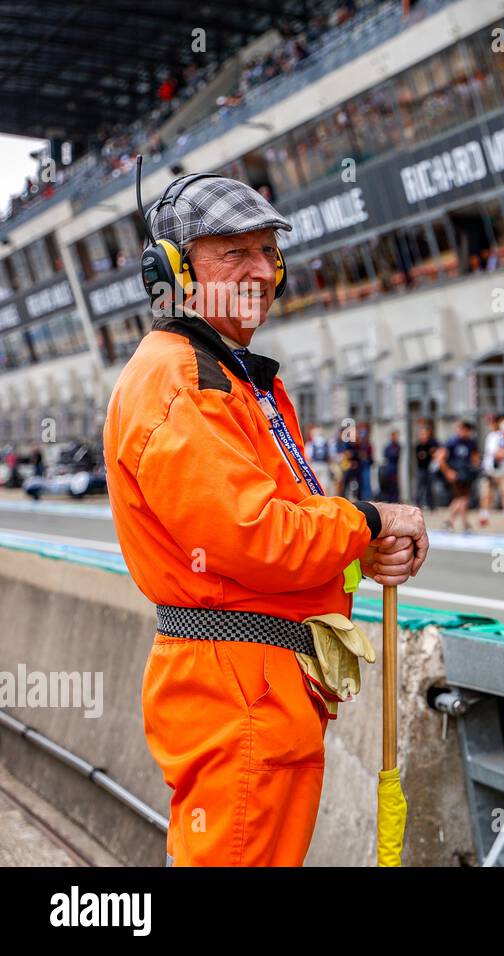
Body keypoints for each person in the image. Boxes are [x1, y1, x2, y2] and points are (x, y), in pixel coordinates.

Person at [102, 173, 427, 866]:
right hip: (239, 690)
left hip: (255, 686)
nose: (261, 269)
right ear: (174, 270)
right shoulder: (187, 379)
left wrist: (356, 551)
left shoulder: (234, 377)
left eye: (267, 250)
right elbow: (255, 537)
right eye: (232, 251)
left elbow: (280, 515)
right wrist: (368, 521)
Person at [438, 420, 479, 533]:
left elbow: (475, 457)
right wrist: (448, 472)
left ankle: (458, 523)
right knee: (462, 498)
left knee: (462, 499)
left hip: (466, 474)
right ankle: (456, 522)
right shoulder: (452, 442)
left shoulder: (471, 442)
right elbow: (440, 458)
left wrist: (476, 465)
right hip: (456, 474)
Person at [412, 423, 438, 511]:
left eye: (425, 434)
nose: (424, 436)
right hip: (421, 469)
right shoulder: (419, 445)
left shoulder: (431, 443)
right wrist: (428, 454)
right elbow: (420, 457)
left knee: (430, 488)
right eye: (422, 434)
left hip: (429, 469)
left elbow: (434, 453)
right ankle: (418, 505)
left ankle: (431, 505)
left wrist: (428, 454)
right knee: (419, 488)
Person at [379, 430, 402, 503]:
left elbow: (395, 455)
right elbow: (386, 455)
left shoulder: (398, 446)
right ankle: (389, 500)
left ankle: (395, 500)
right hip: (388, 469)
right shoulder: (388, 446)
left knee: (395, 486)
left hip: (394, 469)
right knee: (388, 486)